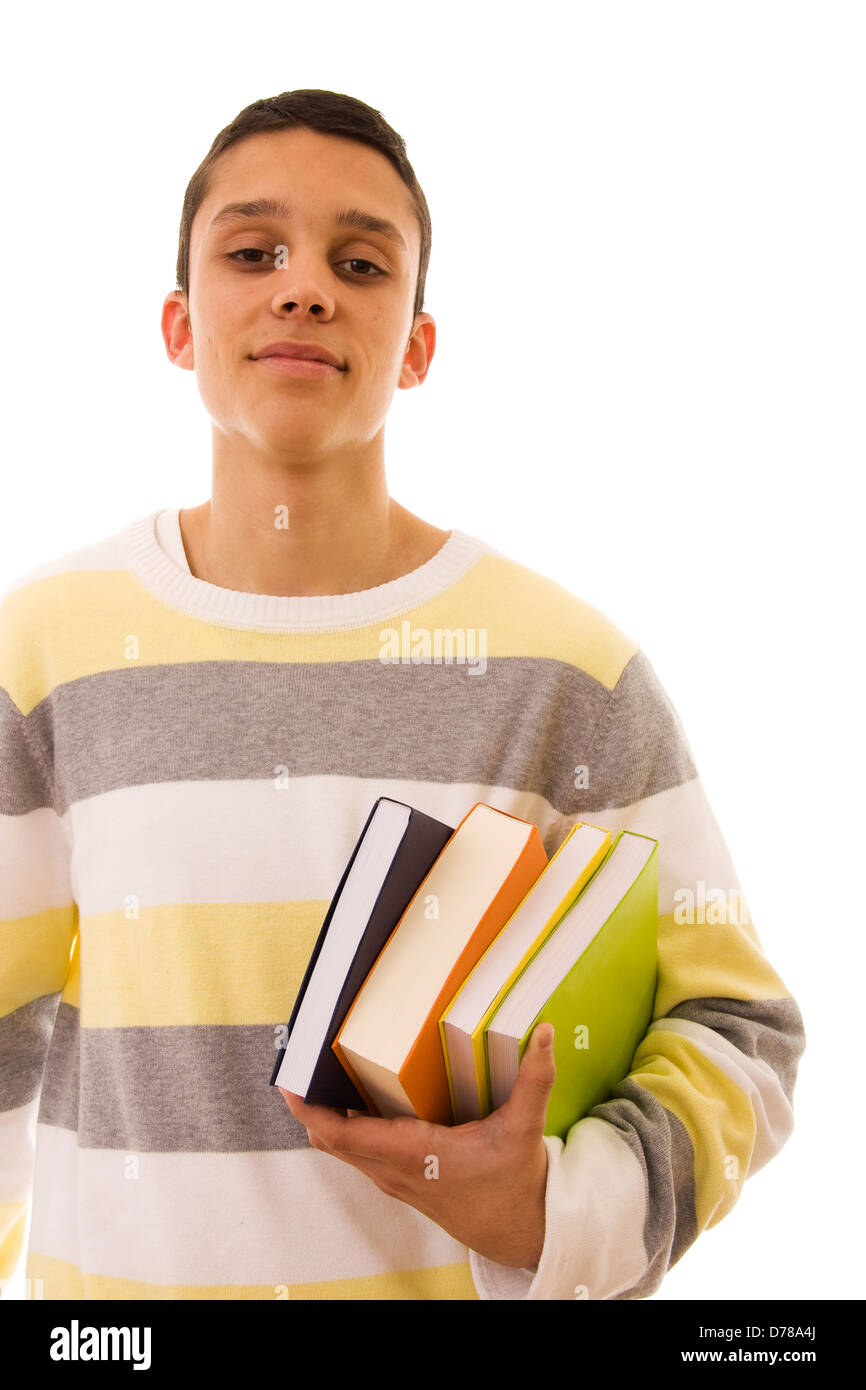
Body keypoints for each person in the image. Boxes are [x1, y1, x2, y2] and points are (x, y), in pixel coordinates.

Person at [0, 88, 805, 1301]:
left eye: (360, 262)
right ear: (179, 324)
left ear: (417, 346)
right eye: (253, 251)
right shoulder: (44, 647)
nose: (304, 287)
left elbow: (739, 1032)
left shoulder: (565, 670)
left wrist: (553, 1212)